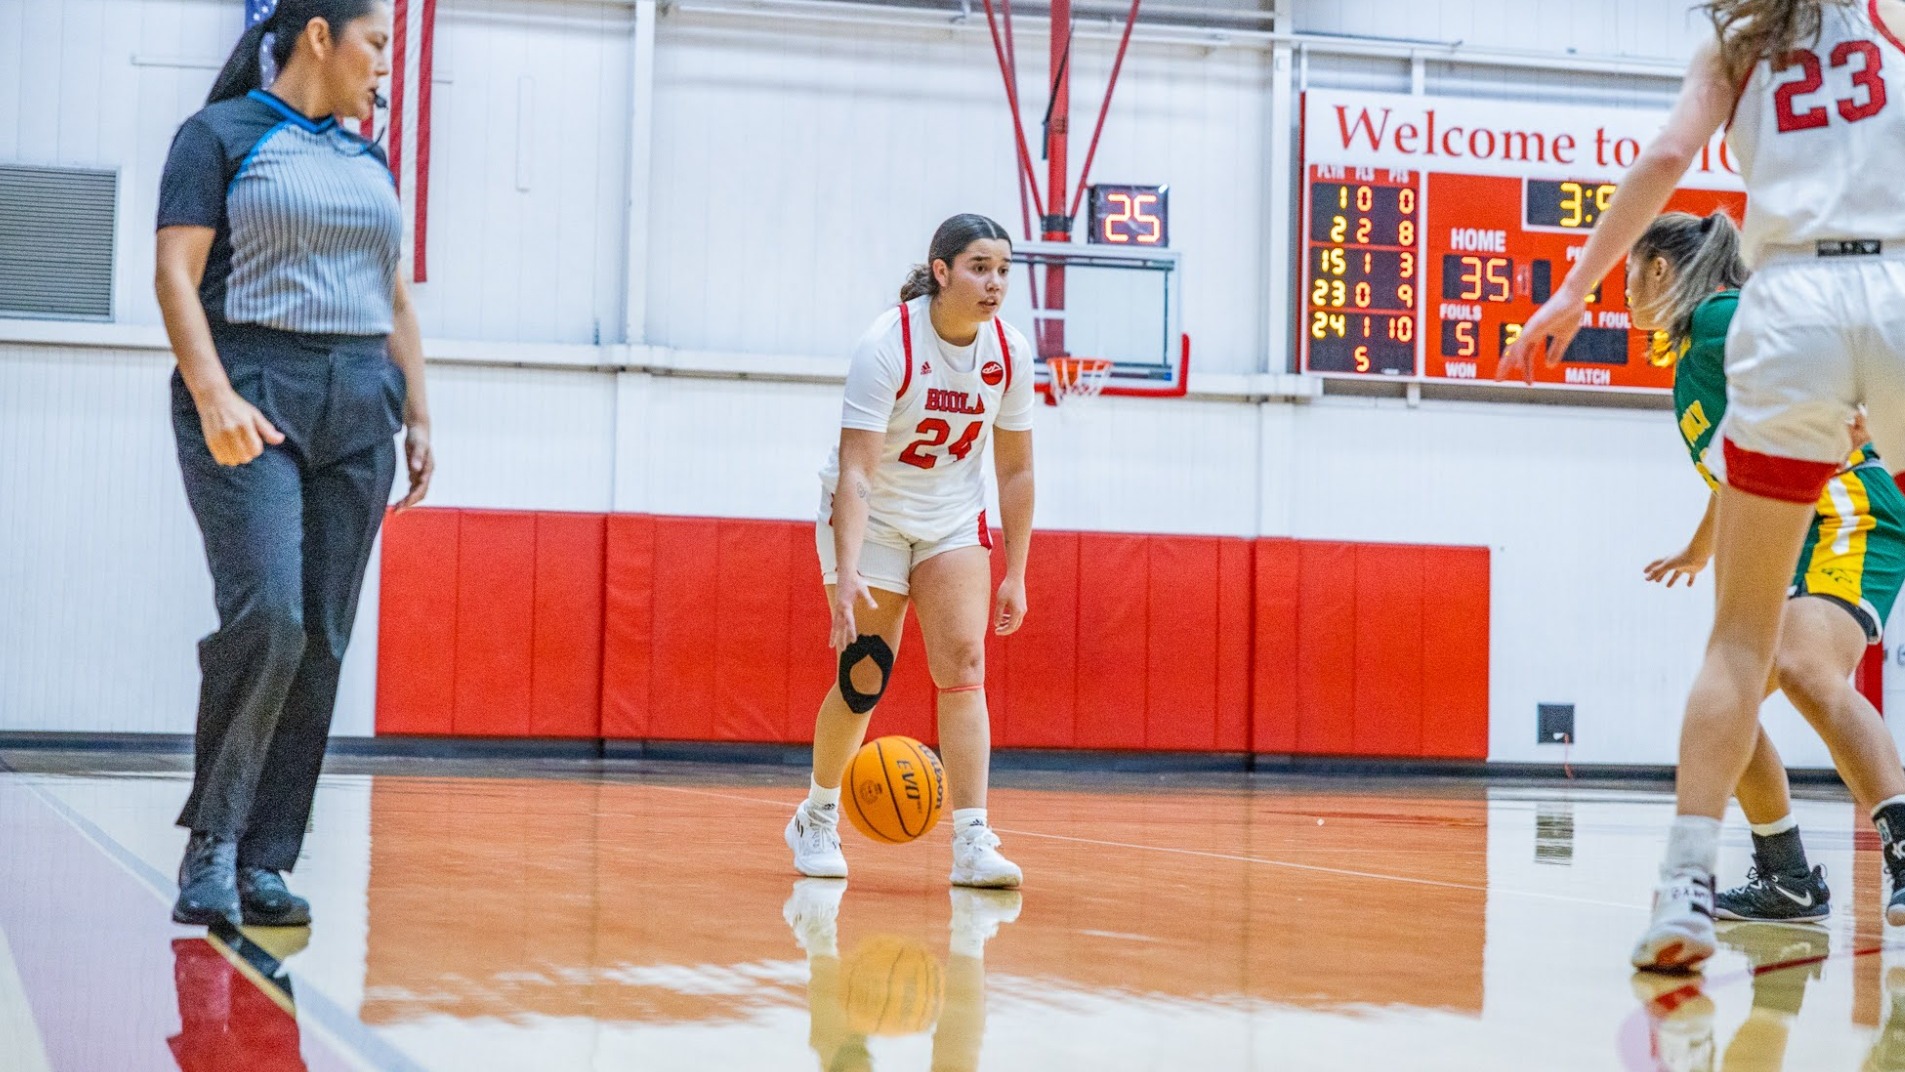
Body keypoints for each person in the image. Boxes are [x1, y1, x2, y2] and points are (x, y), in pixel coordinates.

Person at [1501, 0, 1905, 972]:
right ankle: (1785, 867)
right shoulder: (1887, 24)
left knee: (1751, 651)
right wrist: (1696, 541)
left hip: (1797, 314)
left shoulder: (1737, 46)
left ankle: (1685, 885)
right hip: (1891, 291)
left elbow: (1663, 158)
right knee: (1753, 667)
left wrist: (1570, 290)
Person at [154, 0, 433, 927]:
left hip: (359, 406)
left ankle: (266, 859)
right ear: (321, 36)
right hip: (251, 393)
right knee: (270, 617)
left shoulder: (368, 160)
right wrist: (212, 395)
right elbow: (174, 274)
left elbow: (393, 296)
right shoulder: (219, 137)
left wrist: (419, 414)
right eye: (377, 44)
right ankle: (213, 841)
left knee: (320, 638)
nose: (385, 65)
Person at [1632, 210, 1905, 924]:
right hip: (1785, 529)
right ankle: (1785, 876)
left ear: (1658, 268)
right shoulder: (1695, 349)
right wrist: (1699, 548)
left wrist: (1861, 409)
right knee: (1728, 700)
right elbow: (1739, 470)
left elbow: (1826, 357)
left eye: (1629, 274)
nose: (1624, 292)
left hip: (1842, 507)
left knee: (1804, 667)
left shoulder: (1723, 317)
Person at [785, 213, 1035, 889]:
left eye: (1004, 270)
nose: (994, 283)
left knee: (965, 664)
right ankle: (816, 816)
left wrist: (1016, 571)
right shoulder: (888, 343)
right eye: (980, 267)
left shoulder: (1008, 352)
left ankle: (973, 840)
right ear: (942, 271)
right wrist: (845, 574)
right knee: (865, 674)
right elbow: (857, 471)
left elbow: (1015, 472)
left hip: (950, 519)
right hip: (874, 519)